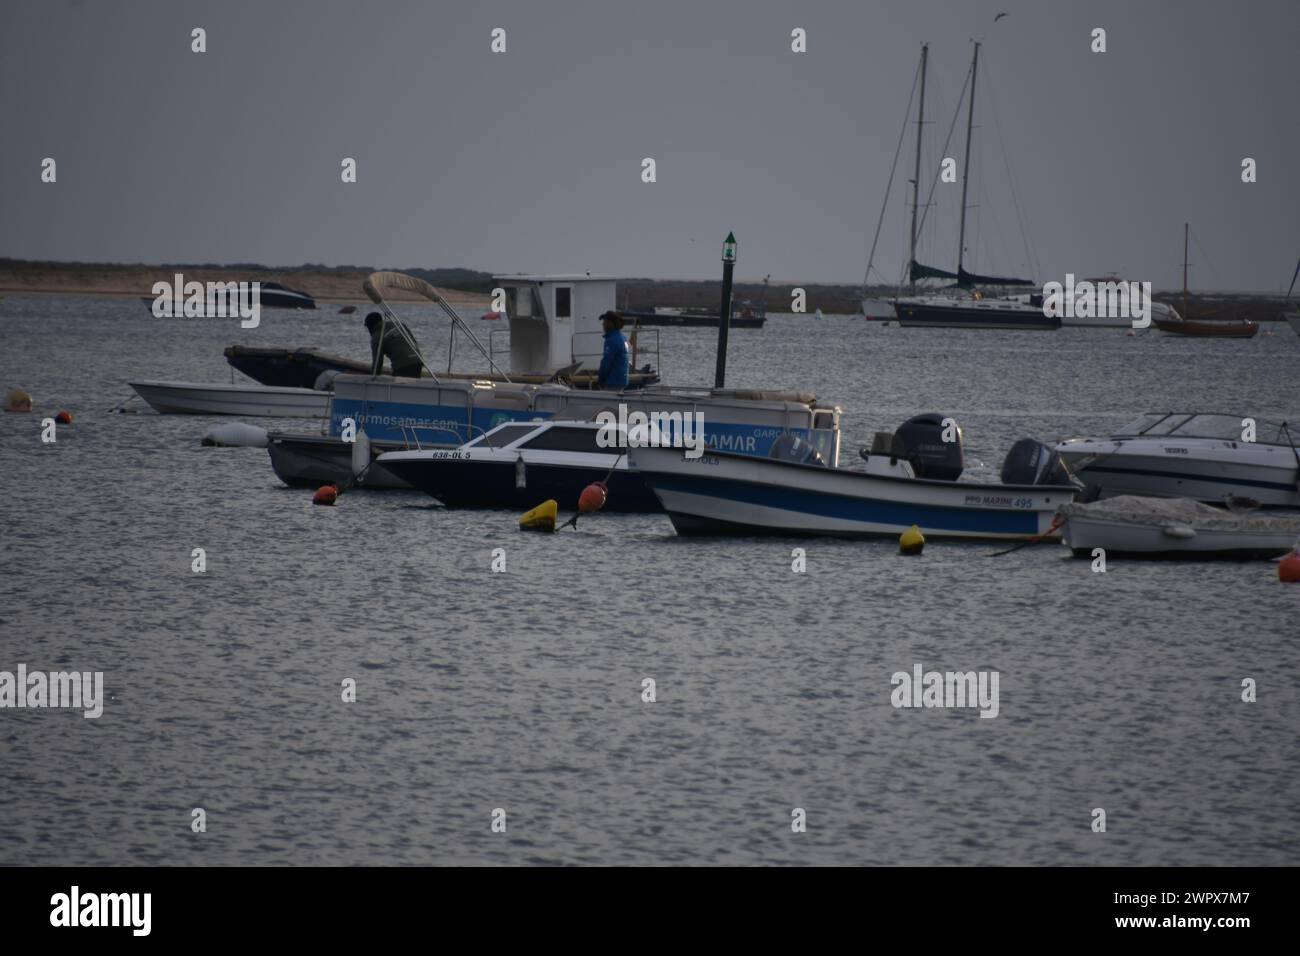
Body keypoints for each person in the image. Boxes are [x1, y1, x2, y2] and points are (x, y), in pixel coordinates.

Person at [364, 312, 425, 378]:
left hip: (402, 365)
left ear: (370, 326)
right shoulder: (399, 324)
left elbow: (377, 363)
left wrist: (373, 378)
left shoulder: (376, 337)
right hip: (417, 360)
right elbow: (414, 342)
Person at [596, 311, 629, 389]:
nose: (603, 324)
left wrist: (600, 381)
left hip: (613, 382)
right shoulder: (623, 338)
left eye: (605, 321)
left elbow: (606, 363)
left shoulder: (611, 340)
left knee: (608, 401)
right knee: (620, 401)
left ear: (611, 323)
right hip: (622, 381)